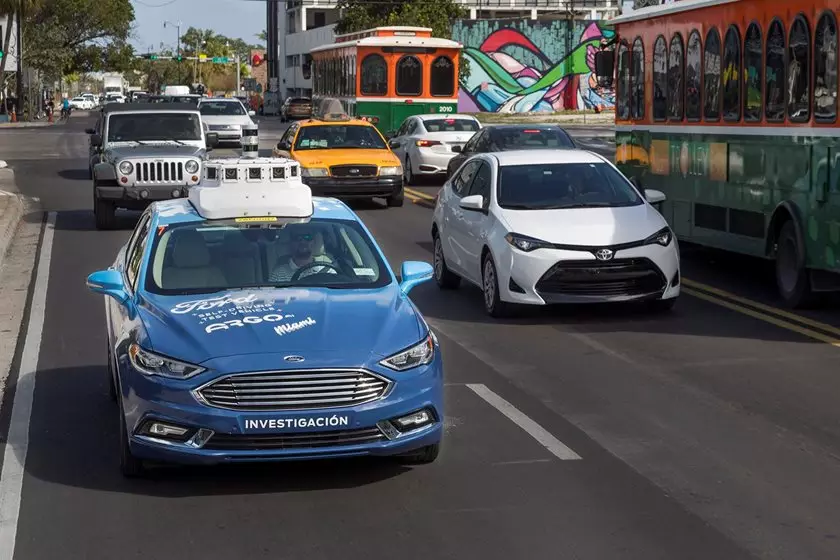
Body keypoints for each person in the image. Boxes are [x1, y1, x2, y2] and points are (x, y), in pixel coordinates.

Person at [269, 227, 336, 283]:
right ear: (291, 243)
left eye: (307, 238)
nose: (303, 242)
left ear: (313, 242)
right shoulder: (278, 274)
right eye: (297, 238)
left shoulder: (328, 272)